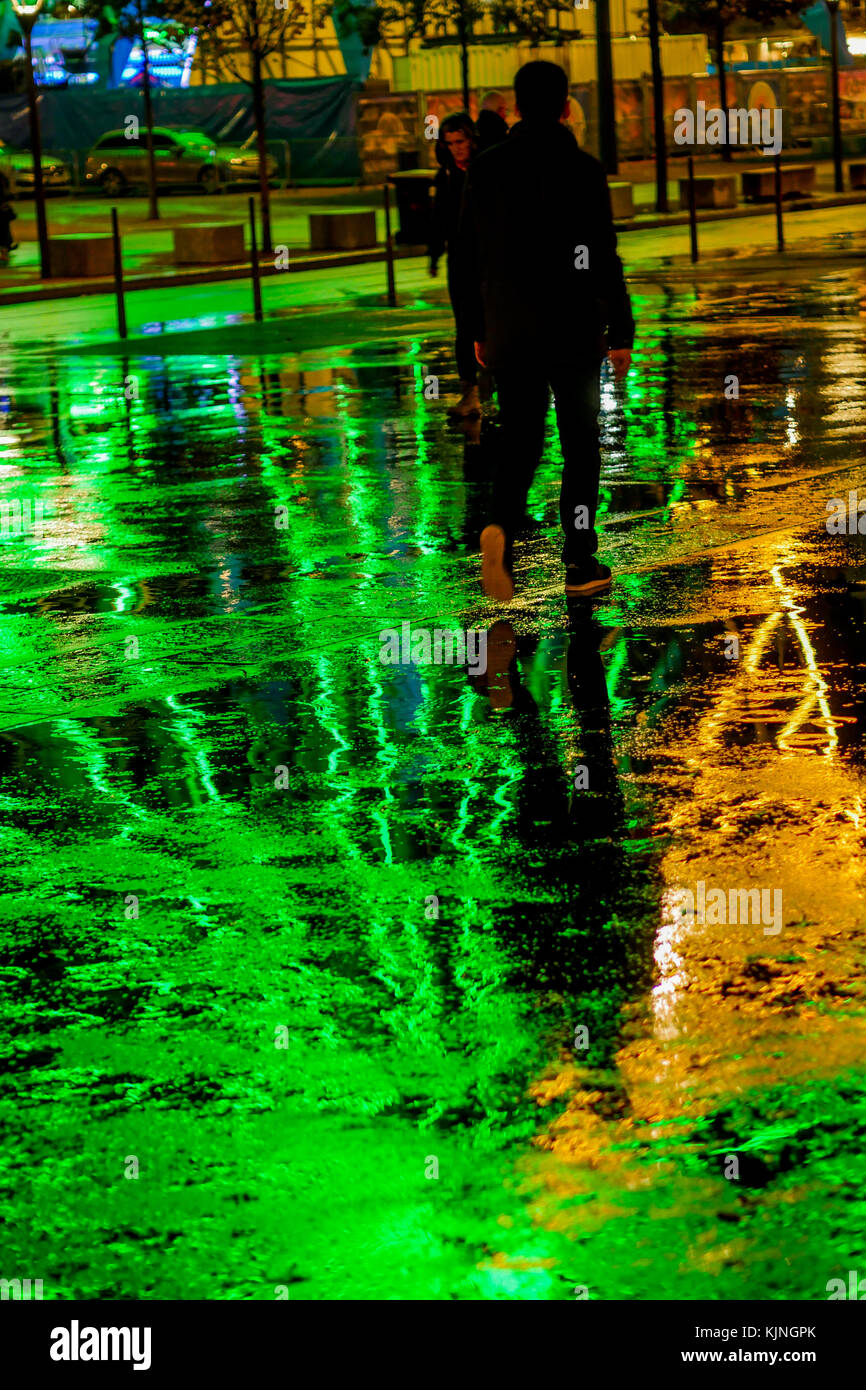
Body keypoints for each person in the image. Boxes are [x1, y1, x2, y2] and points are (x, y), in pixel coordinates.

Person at [461, 60, 635, 599]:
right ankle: (580, 560)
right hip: (573, 326)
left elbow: (468, 256)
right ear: (565, 108)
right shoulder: (582, 168)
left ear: (514, 107)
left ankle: (499, 527)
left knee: (521, 440)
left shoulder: (487, 169)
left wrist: (479, 330)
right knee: (580, 447)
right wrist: (622, 327)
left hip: (512, 327)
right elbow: (602, 253)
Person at [428, 112, 480, 419]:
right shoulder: (447, 177)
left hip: (485, 259)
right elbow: (439, 221)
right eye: (449, 143)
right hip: (460, 260)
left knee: (489, 325)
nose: (456, 148)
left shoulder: (484, 171)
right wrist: (434, 255)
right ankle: (470, 394)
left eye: (460, 142)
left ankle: (487, 389)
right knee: (465, 328)